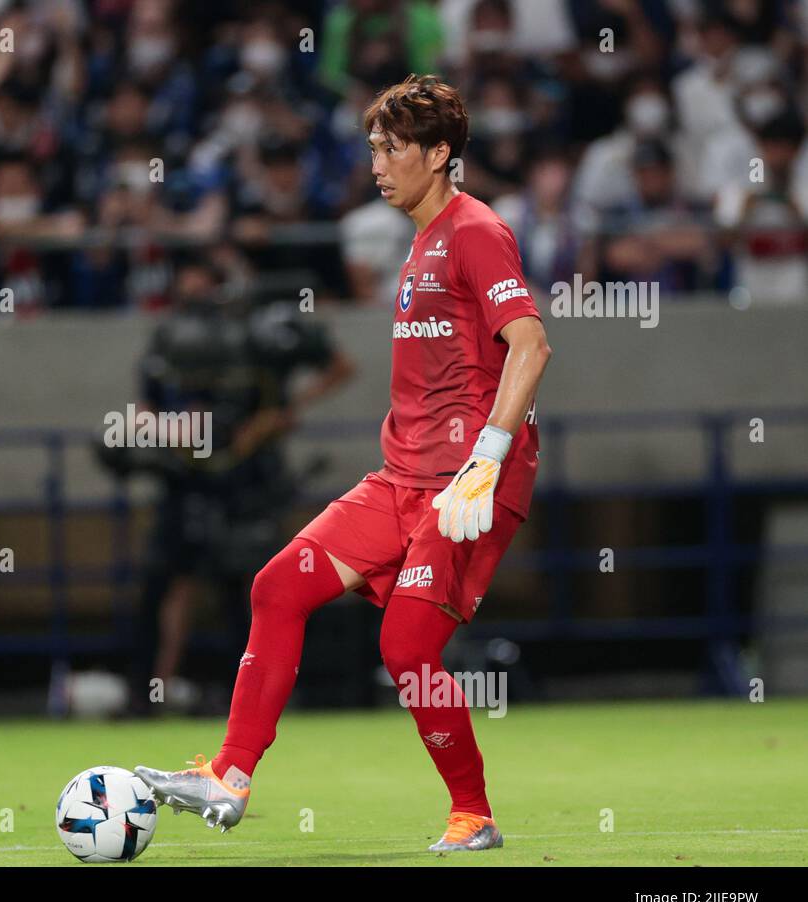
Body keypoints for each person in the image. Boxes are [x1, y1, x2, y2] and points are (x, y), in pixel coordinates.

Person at [135, 75, 553, 853]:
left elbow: (531, 345)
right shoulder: (423, 239)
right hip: (401, 479)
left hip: (466, 480)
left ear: (439, 154)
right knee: (277, 588)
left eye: (393, 149)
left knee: (405, 650)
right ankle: (229, 775)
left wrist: (487, 460)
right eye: (373, 148)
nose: (377, 163)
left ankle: (473, 814)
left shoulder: (475, 231)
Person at [103, 257, 354, 717]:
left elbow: (339, 364)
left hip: (248, 480)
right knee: (167, 585)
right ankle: (151, 693)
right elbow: (145, 407)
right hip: (185, 476)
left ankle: (255, 696)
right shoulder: (170, 339)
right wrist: (168, 434)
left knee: (249, 589)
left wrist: (281, 413)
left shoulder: (261, 334)